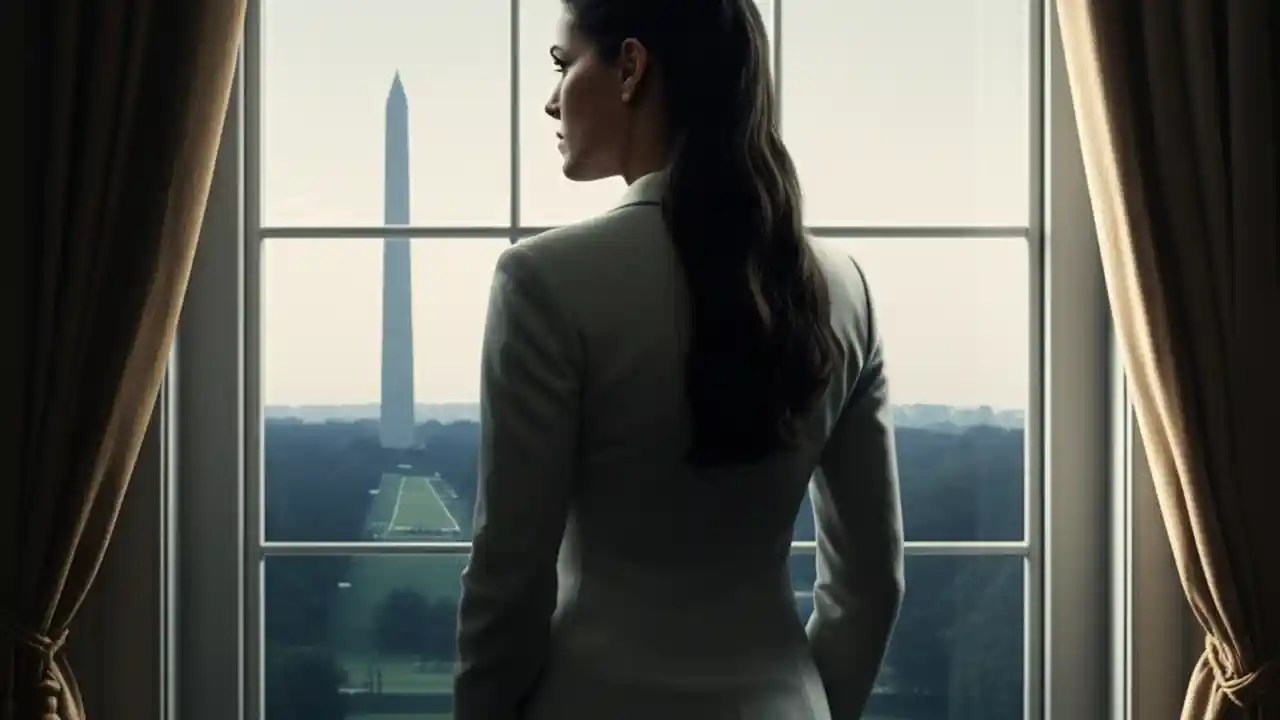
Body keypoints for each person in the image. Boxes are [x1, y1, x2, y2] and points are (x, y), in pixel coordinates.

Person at [454, 1, 904, 717]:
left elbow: (509, 581)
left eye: (564, 65)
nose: (552, 100)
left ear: (631, 68)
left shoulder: (543, 280)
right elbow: (870, 585)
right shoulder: (844, 288)